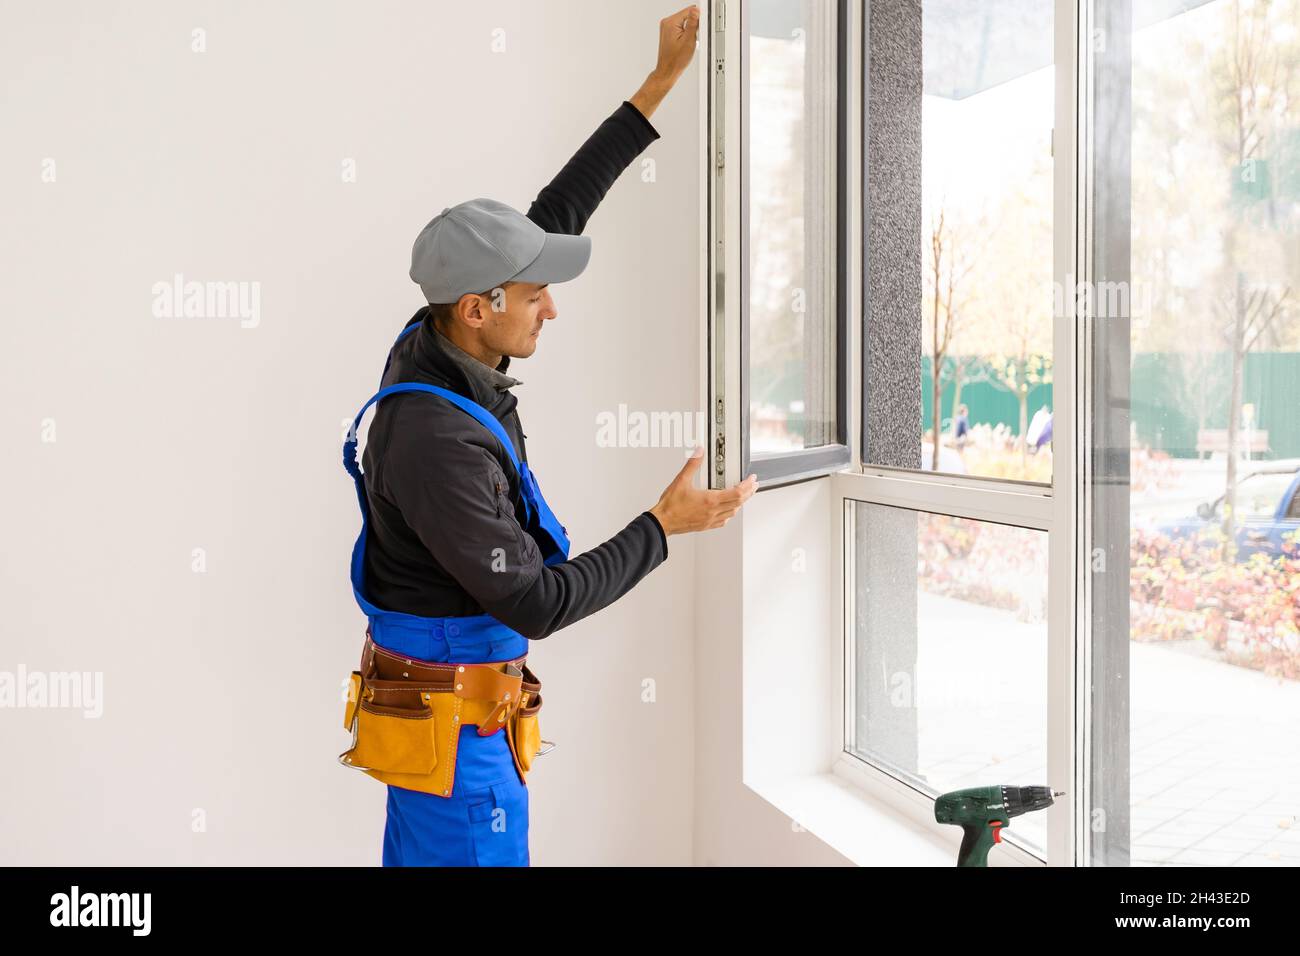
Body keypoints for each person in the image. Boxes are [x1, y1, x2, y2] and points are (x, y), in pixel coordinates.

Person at [339, 4, 757, 867]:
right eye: (535, 295)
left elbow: (560, 209)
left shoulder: (441, 344)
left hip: (458, 720)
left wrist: (660, 83)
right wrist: (662, 530)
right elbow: (535, 600)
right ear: (478, 307)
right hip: (455, 744)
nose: (552, 307)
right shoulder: (433, 443)